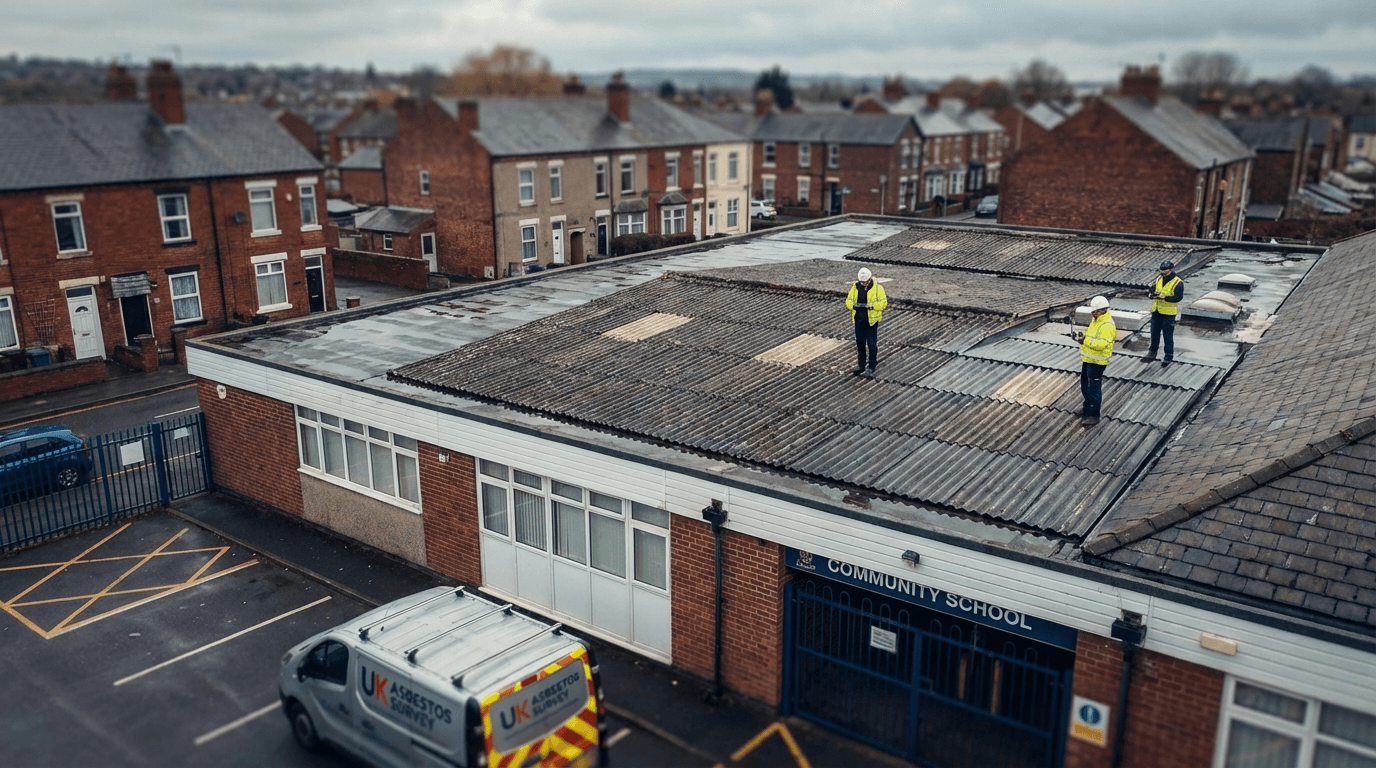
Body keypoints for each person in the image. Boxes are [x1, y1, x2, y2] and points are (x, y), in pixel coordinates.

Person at [1076, 295, 1116, 426]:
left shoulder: (1107, 325)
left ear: (1102, 310)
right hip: (1088, 358)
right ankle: (1087, 408)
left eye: (1094, 311)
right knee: (1085, 385)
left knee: (1093, 387)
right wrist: (1081, 336)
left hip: (1097, 362)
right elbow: (1090, 335)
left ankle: (1093, 415)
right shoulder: (1096, 320)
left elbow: (1101, 344)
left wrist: (1084, 341)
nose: (1092, 313)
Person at [846, 267, 888, 377]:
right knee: (860, 343)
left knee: (872, 344)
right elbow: (848, 301)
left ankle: (871, 365)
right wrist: (853, 305)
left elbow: (883, 303)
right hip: (859, 320)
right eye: (861, 282)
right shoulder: (855, 288)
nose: (863, 284)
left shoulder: (878, 289)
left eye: (865, 282)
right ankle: (861, 366)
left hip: (871, 321)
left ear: (869, 280)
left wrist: (873, 306)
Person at [1142, 260, 1183, 366]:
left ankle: (1168, 356)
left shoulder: (1177, 282)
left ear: (1170, 270)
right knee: (1154, 334)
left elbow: (1178, 297)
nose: (1163, 272)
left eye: (1165, 270)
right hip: (1156, 311)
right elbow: (1151, 290)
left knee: (1167, 336)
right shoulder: (1159, 279)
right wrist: (1152, 295)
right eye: (1162, 270)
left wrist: (1165, 297)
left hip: (1168, 314)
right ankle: (1152, 353)